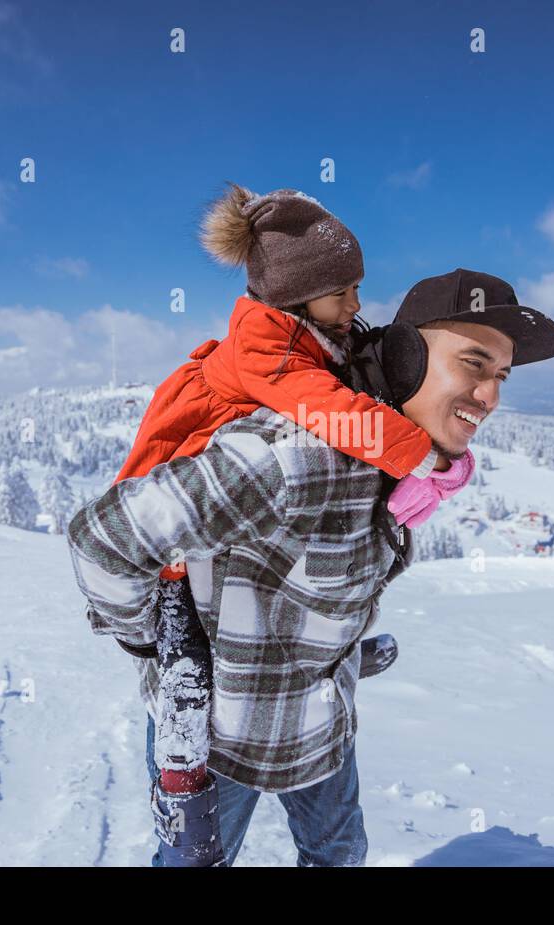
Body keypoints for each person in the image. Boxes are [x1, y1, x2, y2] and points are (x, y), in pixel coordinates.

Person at [66, 267, 554, 866]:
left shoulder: (402, 464)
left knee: (339, 854)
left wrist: (342, 648)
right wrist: (160, 648)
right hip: (221, 739)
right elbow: (103, 539)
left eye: (501, 377)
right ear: (405, 356)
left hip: (321, 727)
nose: (490, 396)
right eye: (474, 364)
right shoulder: (294, 455)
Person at [105, 184, 476, 826]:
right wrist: (423, 455)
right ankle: (178, 652)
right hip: (187, 495)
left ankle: (323, 651)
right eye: (343, 293)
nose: (356, 304)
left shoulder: (302, 336)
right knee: (188, 572)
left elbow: (347, 377)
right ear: (296, 295)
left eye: (358, 288)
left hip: (231, 506)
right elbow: (337, 414)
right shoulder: (264, 349)